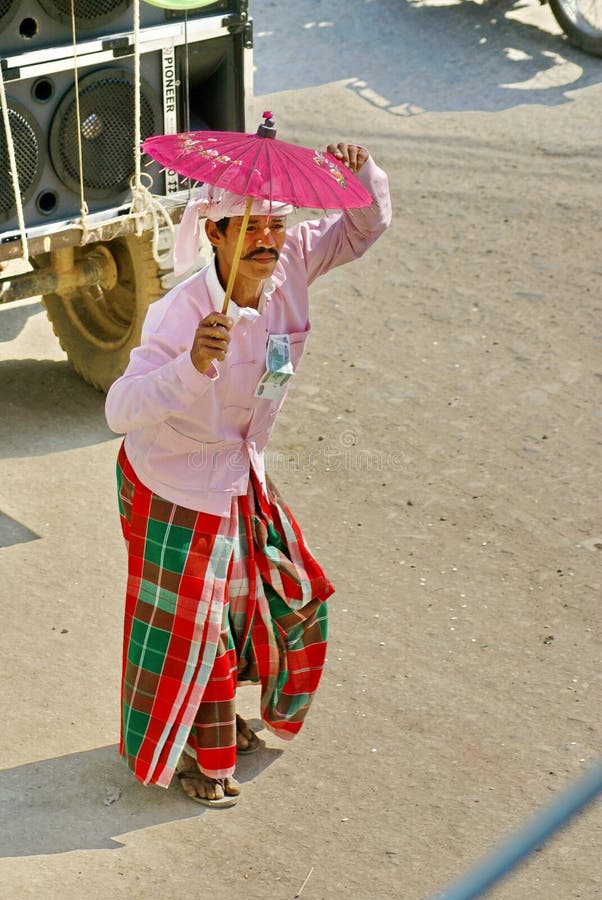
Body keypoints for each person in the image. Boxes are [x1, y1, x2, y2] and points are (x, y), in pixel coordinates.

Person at [105, 141, 391, 808]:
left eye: (276, 226)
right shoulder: (180, 315)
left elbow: (364, 226)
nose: (268, 241)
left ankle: (209, 722)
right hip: (170, 487)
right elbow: (121, 409)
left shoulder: (291, 262)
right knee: (195, 628)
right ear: (216, 232)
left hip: (238, 474)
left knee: (274, 599)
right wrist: (189, 370)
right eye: (252, 228)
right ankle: (203, 760)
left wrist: (360, 173)